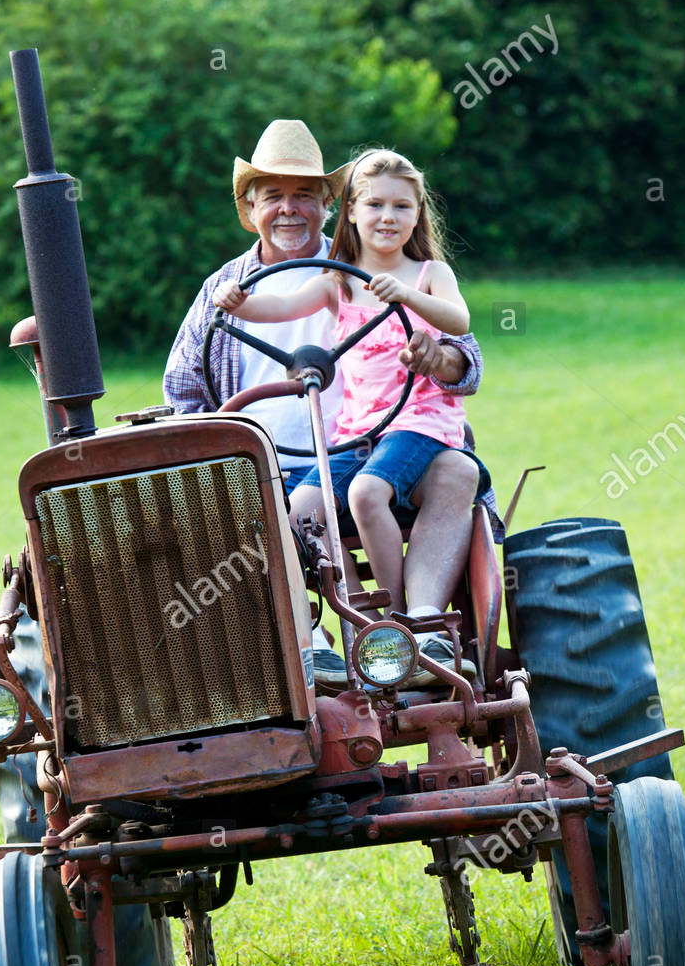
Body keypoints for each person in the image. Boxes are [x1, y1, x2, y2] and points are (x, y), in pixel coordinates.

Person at [163, 121, 491, 685]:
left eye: (303, 196)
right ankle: (310, 644)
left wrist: (438, 359)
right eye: (273, 197)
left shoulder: (371, 270)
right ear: (249, 207)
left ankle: (423, 625)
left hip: (380, 441)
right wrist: (233, 308)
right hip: (270, 468)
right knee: (252, 513)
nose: (289, 211)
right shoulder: (225, 289)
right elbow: (184, 395)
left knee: (456, 468)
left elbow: (464, 355)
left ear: (329, 204)